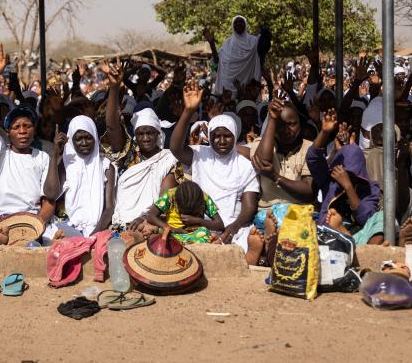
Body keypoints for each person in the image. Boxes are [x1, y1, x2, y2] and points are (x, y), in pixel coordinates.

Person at [0, 41, 54, 241]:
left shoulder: (42, 157)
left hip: (31, 219)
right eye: (16, 127)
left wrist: (35, 226)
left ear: (34, 129)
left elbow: (48, 202)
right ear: (7, 132)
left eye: (27, 126)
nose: (22, 131)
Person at [170, 80, 260, 252]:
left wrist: (233, 227)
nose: (221, 141)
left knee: (242, 248)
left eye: (227, 136)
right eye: (216, 136)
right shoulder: (199, 154)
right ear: (209, 137)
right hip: (200, 223)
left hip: (235, 227)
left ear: (235, 136)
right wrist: (188, 111)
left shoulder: (244, 165)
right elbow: (175, 148)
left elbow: (249, 206)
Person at [100, 60, 179, 228]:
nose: (145, 138)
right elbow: (112, 126)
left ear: (158, 133)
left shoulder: (168, 160)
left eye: (150, 132)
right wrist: (114, 87)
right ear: (134, 135)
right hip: (122, 224)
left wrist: (145, 218)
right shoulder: (128, 155)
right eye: (140, 133)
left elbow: (164, 198)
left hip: (152, 225)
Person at [307, 109, 382, 245]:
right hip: (326, 232)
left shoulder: (371, 188)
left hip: (357, 236)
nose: (344, 175)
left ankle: (345, 235)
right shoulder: (330, 181)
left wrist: (348, 187)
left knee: (381, 218)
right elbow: (313, 159)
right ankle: (339, 232)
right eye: (343, 171)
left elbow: (365, 218)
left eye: (351, 174)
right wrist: (325, 132)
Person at [43, 115, 115, 237]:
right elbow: (50, 193)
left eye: (88, 138)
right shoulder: (66, 163)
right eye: (78, 139)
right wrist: (55, 154)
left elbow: (109, 208)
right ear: (71, 140)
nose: (84, 143)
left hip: (96, 229)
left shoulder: (106, 166)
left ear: (95, 138)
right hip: (66, 226)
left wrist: (93, 236)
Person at [249, 98, 315, 208]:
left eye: (292, 124)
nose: (286, 130)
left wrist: (275, 176)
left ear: (300, 124)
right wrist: (272, 118)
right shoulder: (261, 143)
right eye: (280, 125)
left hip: (300, 212)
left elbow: (308, 190)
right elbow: (263, 163)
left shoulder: (309, 148)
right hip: (268, 213)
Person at [143, 180, 224, 244]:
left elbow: (220, 224)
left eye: (192, 212)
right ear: (176, 201)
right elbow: (150, 215)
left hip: (194, 234)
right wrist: (171, 228)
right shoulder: (170, 195)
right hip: (171, 232)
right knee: (152, 233)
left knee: (204, 232)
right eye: (182, 211)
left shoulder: (204, 198)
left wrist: (198, 221)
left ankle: (181, 245)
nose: (186, 215)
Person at [209, 16, 271, 96]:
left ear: (245, 24)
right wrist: (211, 43)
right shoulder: (227, 43)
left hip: (247, 88)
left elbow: (264, 48)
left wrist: (266, 35)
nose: (239, 24)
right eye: (236, 22)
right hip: (227, 87)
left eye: (241, 22)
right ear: (233, 26)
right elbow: (217, 61)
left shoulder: (253, 41)